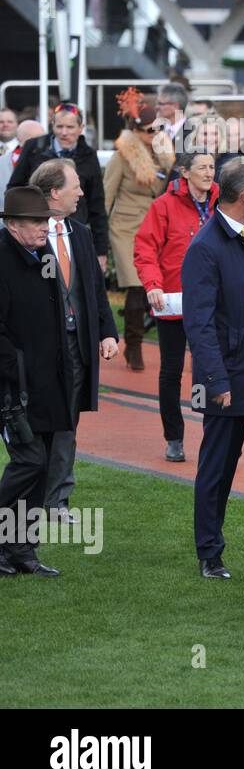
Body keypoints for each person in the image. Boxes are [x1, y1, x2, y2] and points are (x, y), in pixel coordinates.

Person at [0, 186, 112, 575]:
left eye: (45, 222)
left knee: (44, 465)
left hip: (51, 383)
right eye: (35, 223)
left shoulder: (42, 253)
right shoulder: (3, 260)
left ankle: (22, 551)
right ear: (13, 226)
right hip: (15, 389)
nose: (44, 228)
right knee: (29, 461)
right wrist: (19, 372)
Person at [182, 160, 244, 580]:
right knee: (217, 468)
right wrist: (216, 380)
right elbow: (198, 322)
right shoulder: (205, 247)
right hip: (228, 380)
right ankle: (209, 553)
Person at [26, 163, 119, 523]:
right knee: (36, 424)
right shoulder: (23, 234)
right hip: (37, 350)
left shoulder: (80, 233)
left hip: (76, 345)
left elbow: (94, 289)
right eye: (76, 187)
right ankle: (30, 498)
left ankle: (57, 501)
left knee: (68, 422)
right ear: (54, 193)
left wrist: (108, 332)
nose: (82, 193)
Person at [134, 146, 217, 464]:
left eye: (212, 166)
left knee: (211, 368)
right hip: (173, 299)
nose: (209, 173)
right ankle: (174, 438)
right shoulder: (163, 206)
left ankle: (216, 433)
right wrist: (153, 286)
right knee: (171, 370)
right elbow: (145, 248)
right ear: (184, 172)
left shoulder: (222, 202)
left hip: (212, 302)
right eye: (202, 167)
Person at [104, 89, 175, 373]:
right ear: (135, 131)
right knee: (136, 285)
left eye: (160, 127)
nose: (156, 133)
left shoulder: (166, 155)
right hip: (125, 229)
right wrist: (96, 238)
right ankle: (133, 345)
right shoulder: (121, 157)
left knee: (157, 286)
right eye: (150, 130)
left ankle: (145, 339)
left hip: (157, 227)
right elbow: (106, 197)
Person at [8, 102, 109, 271]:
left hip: (72, 231)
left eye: (70, 127)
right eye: (59, 126)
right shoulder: (34, 147)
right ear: (51, 125)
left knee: (69, 282)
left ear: (81, 127)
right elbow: (14, 187)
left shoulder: (89, 155)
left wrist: (101, 251)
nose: (64, 132)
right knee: (42, 280)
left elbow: (97, 204)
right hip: (35, 232)